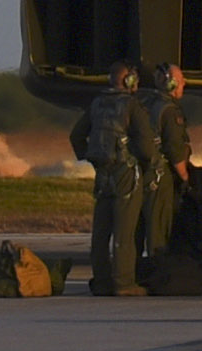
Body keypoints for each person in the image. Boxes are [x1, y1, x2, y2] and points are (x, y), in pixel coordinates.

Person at [70, 62, 144, 294]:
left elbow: (76, 135)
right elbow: (145, 142)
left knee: (101, 230)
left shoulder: (97, 103)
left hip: (102, 172)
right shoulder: (131, 106)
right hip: (125, 172)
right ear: (130, 81)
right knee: (125, 231)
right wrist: (147, 163)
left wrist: (90, 157)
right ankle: (124, 283)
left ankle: (101, 281)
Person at [137, 63, 195, 285]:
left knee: (139, 226)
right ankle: (157, 275)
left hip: (140, 173)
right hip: (160, 176)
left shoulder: (144, 102)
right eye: (180, 81)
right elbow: (174, 150)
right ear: (171, 84)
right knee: (158, 228)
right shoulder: (169, 110)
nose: (184, 85)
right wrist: (186, 178)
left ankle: (134, 272)